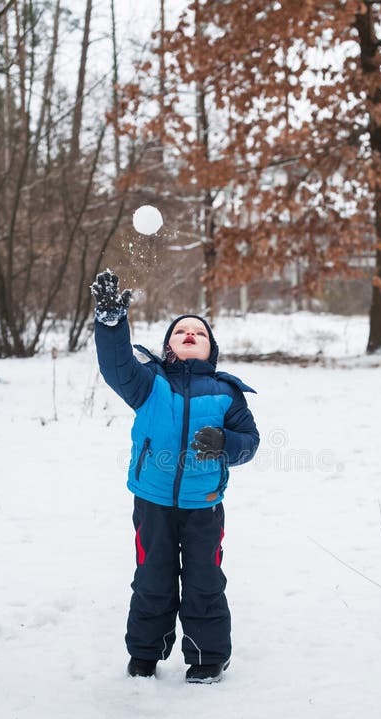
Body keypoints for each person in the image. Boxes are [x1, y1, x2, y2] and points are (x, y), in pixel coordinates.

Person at [91, 270, 260, 684]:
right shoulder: (149, 383)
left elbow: (250, 441)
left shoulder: (225, 391)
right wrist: (111, 324)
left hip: (203, 505)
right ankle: (145, 653)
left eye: (197, 332)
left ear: (210, 349)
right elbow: (115, 367)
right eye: (180, 330)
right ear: (168, 346)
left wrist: (224, 442)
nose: (188, 333)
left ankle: (207, 656)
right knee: (152, 577)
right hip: (152, 501)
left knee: (205, 580)